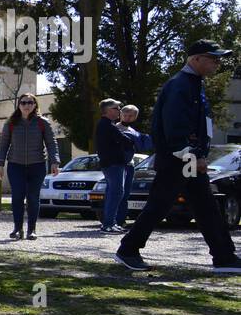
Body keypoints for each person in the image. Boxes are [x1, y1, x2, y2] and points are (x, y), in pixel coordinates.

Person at [116, 40, 241, 274]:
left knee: (206, 207)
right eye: (212, 58)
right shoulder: (180, 85)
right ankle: (128, 250)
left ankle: (224, 257)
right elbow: (175, 128)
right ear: (195, 59)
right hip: (179, 160)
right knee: (159, 206)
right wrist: (194, 155)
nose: (217, 62)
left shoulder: (193, 84)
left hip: (187, 160)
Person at [0, 91, 60, 240]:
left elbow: (51, 143)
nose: (26, 105)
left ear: (35, 105)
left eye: (30, 102)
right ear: (19, 105)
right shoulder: (11, 123)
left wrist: (54, 162)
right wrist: (0, 164)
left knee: (33, 197)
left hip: (37, 165)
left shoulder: (42, 122)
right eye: (23, 102)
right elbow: (3, 144)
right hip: (15, 165)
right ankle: (17, 229)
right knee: (17, 196)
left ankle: (32, 230)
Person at [93, 98, 129, 233]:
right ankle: (108, 224)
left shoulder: (107, 125)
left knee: (113, 192)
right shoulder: (107, 125)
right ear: (108, 110)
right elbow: (124, 140)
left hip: (112, 164)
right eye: (116, 108)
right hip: (113, 164)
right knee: (116, 192)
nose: (119, 110)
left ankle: (110, 223)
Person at [115, 104, 153, 228]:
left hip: (129, 164)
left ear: (135, 117)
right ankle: (112, 220)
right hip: (117, 165)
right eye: (125, 115)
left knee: (125, 194)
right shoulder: (115, 129)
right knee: (116, 193)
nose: (127, 118)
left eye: (130, 116)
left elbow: (143, 146)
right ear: (121, 115)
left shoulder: (134, 131)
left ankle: (121, 220)